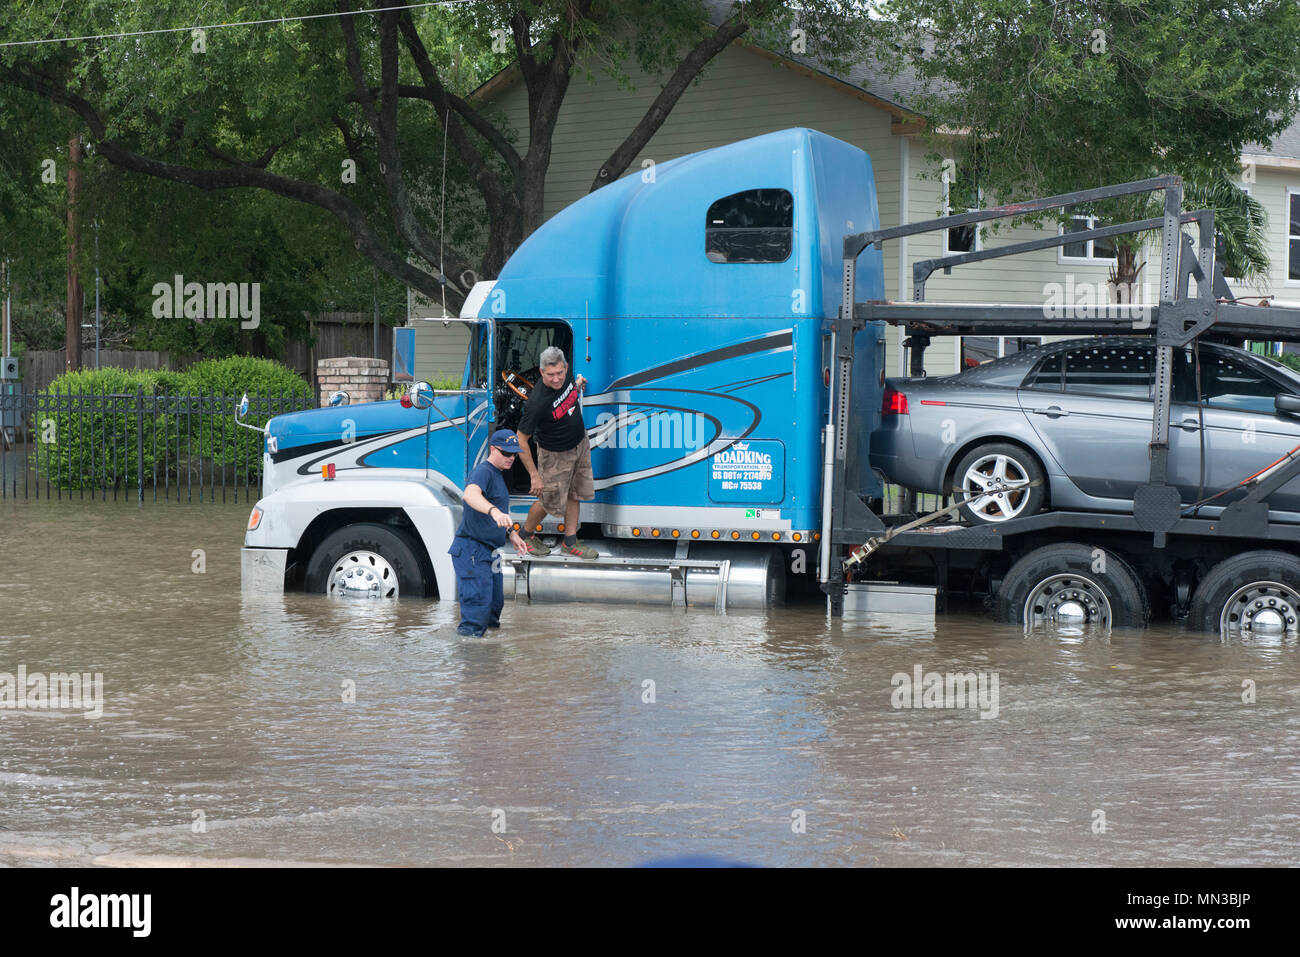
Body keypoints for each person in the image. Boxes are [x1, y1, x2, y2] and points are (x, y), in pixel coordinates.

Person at [515, 346, 598, 559]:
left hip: (579, 444)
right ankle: (525, 535)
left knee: (574, 493)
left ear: (566, 368)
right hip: (554, 456)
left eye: (560, 373)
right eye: (550, 374)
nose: (556, 379)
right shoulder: (537, 402)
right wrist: (534, 475)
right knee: (547, 501)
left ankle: (570, 542)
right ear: (542, 372)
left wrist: (577, 385)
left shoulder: (568, 378)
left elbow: (568, 387)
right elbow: (521, 439)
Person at [449, 429, 528, 637]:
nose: (511, 458)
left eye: (514, 454)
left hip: (490, 552)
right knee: (476, 614)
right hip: (472, 549)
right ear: (493, 449)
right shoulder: (483, 471)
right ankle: (471, 661)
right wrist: (493, 511)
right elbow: (470, 495)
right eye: (506, 453)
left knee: (493, 610)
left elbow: (498, 514)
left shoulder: (499, 475)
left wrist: (511, 533)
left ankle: (491, 664)